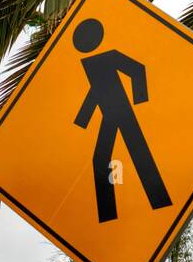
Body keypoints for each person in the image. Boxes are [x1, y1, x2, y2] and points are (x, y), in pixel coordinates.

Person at [71, 17, 172, 222]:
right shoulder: (89, 63)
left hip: (122, 110)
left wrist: (140, 101)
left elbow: (137, 70)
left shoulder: (109, 56)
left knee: (132, 153)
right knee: (113, 156)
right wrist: (83, 118)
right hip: (111, 113)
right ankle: (111, 212)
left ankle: (156, 200)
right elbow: (96, 90)